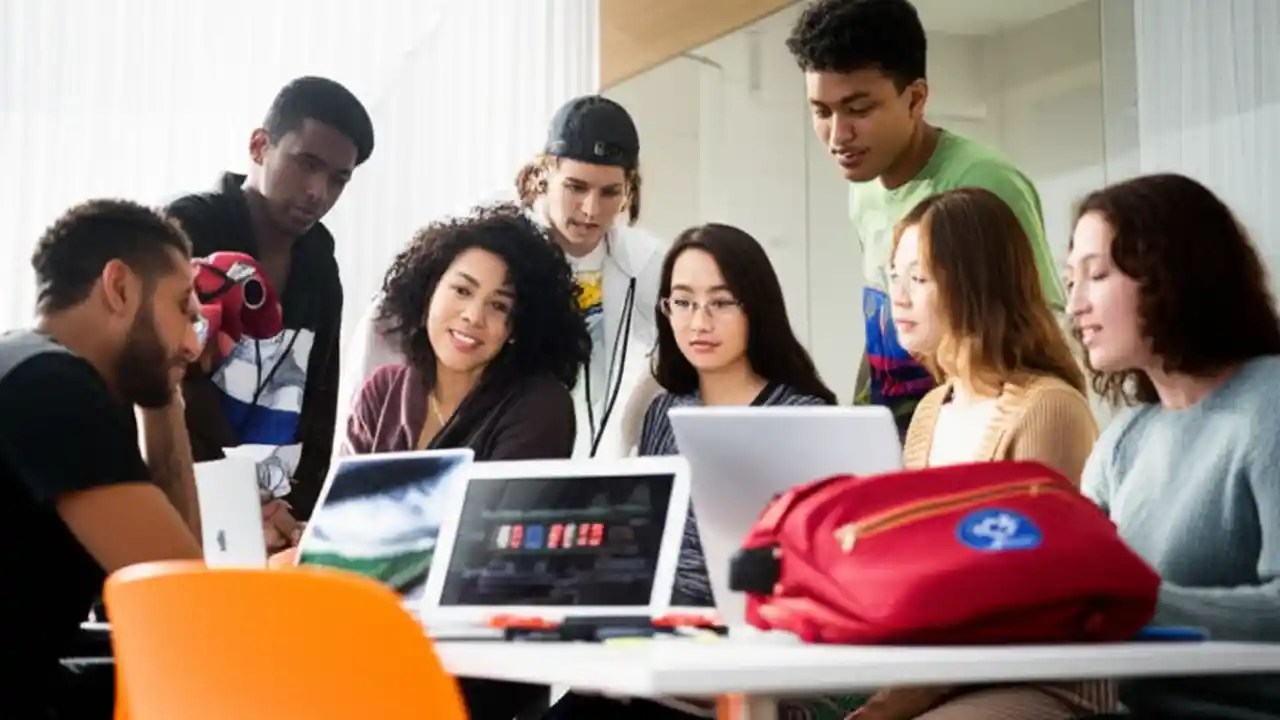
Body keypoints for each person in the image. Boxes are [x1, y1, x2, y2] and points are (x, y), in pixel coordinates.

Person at [545, 224, 837, 720]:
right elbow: (650, 554)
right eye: (681, 302)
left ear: (755, 307)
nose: (699, 321)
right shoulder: (663, 414)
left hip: (753, 672)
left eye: (721, 302)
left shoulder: (806, 419)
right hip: (657, 659)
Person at [850, 187, 1112, 720]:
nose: (896, 296)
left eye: (918, 279)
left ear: (975, 285)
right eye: (893, 276)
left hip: (1044, 681)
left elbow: (1030, 604)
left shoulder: (1047, 409)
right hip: (947, 678)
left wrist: (901, 700)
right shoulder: (927, 412)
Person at [785, 0, 1064, 436]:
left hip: (969, 443)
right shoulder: (863, 185)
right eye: (822, 111)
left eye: (858, 109)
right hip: (896, 442)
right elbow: (883, 319)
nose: (838, 135)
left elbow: (1039, 333)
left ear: (915, 99)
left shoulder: (982, 181)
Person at [337, 95, 663, 461]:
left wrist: (636, 432)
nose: (591, 210)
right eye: (576, 187)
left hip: (569, 445)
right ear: (544, 173)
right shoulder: (485, 238)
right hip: (469, 433)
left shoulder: (646, 265)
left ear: (628, 191)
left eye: (610, 193)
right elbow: (389, 326)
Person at [1068, 174, 1280, 719]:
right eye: (1071, 281)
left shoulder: (1270, 405)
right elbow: (1070, 574)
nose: (1076, 307)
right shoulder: (1124, 440)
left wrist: (1129, 607)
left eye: (1097, 275)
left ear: (1171, 275)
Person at [0, 200, 205, 718]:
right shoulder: (53, 389)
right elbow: (185, 602)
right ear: (119, 288)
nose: (192, 345)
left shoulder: (22, 363)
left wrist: (162, 401)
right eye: (183, 309)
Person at [166, 75, 375, 524]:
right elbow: (166, 381)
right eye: (306, 164)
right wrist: (240, 501)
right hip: (179, 502)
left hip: (276, 519)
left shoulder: (320, 266)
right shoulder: (187, 229)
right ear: (260, 146)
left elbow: (319, 404)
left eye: (339, 179)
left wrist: (301, 517)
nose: (318, 191)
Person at [341, 203, 589, 460]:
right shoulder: (383, 391)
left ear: (520, 325)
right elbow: (342, 499)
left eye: (499, 305)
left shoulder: (540, 407)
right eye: (462, 291)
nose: (473, 316)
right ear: (429, 292)